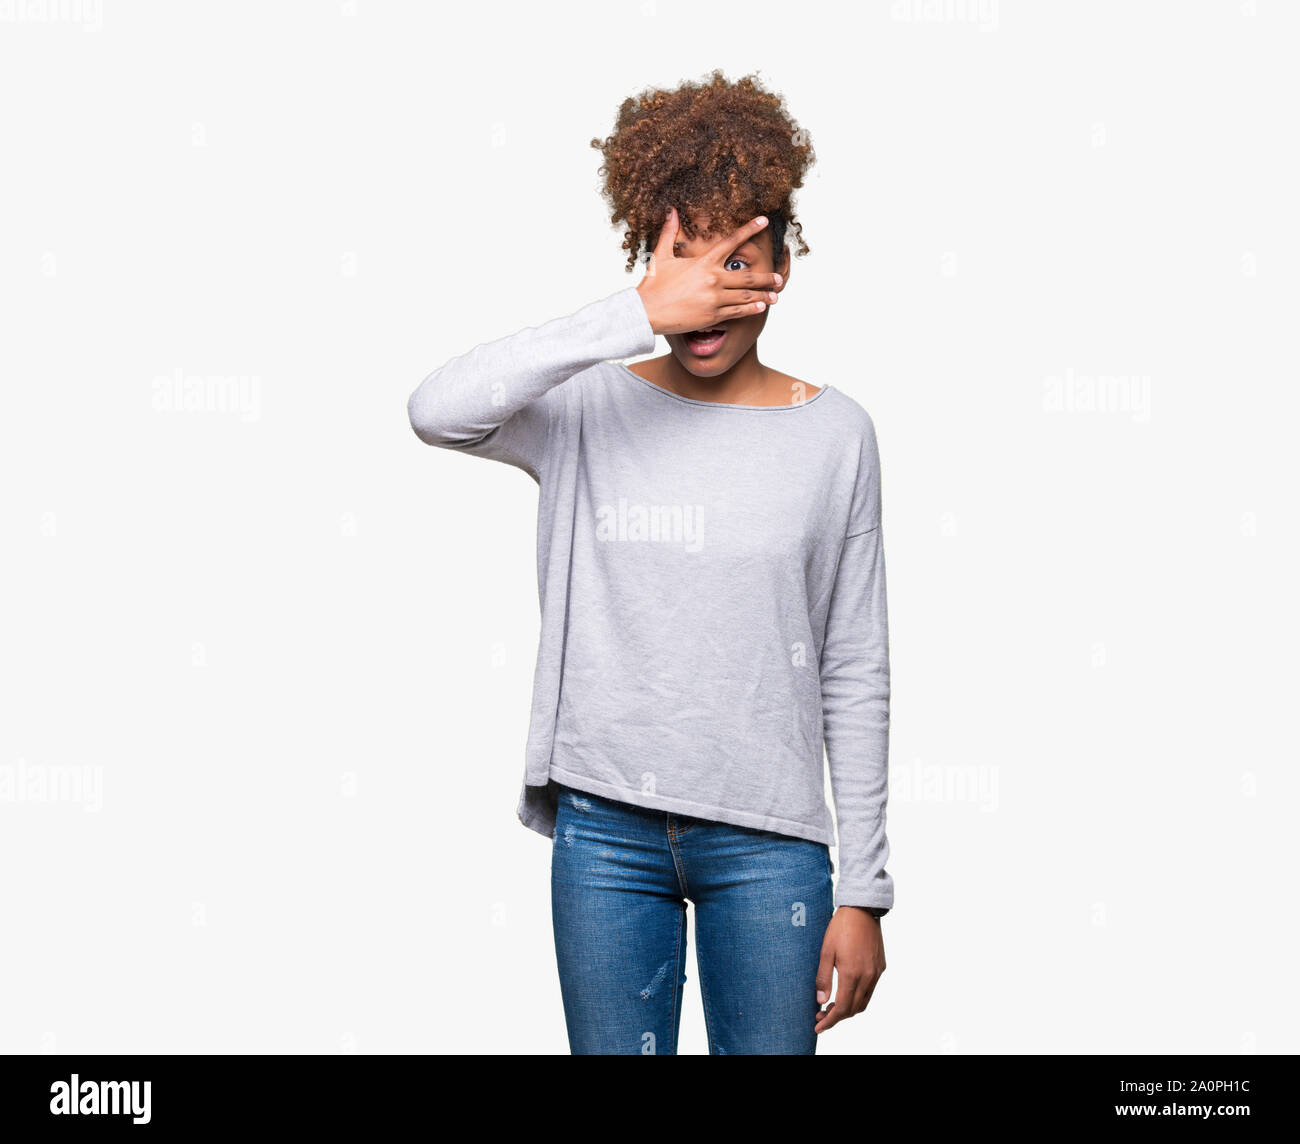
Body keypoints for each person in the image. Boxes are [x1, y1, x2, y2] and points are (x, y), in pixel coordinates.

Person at [407, 70, 892, 1054]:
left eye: (738, 261)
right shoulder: (585, 407)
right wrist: (630, 314)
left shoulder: (836, 435)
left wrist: (864, 889)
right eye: (685, 261)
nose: (710, 292)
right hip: (605, 837)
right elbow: (436, 407)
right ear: (649, 264)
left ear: (781, 266)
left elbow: (855, 663)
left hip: (769, 842)